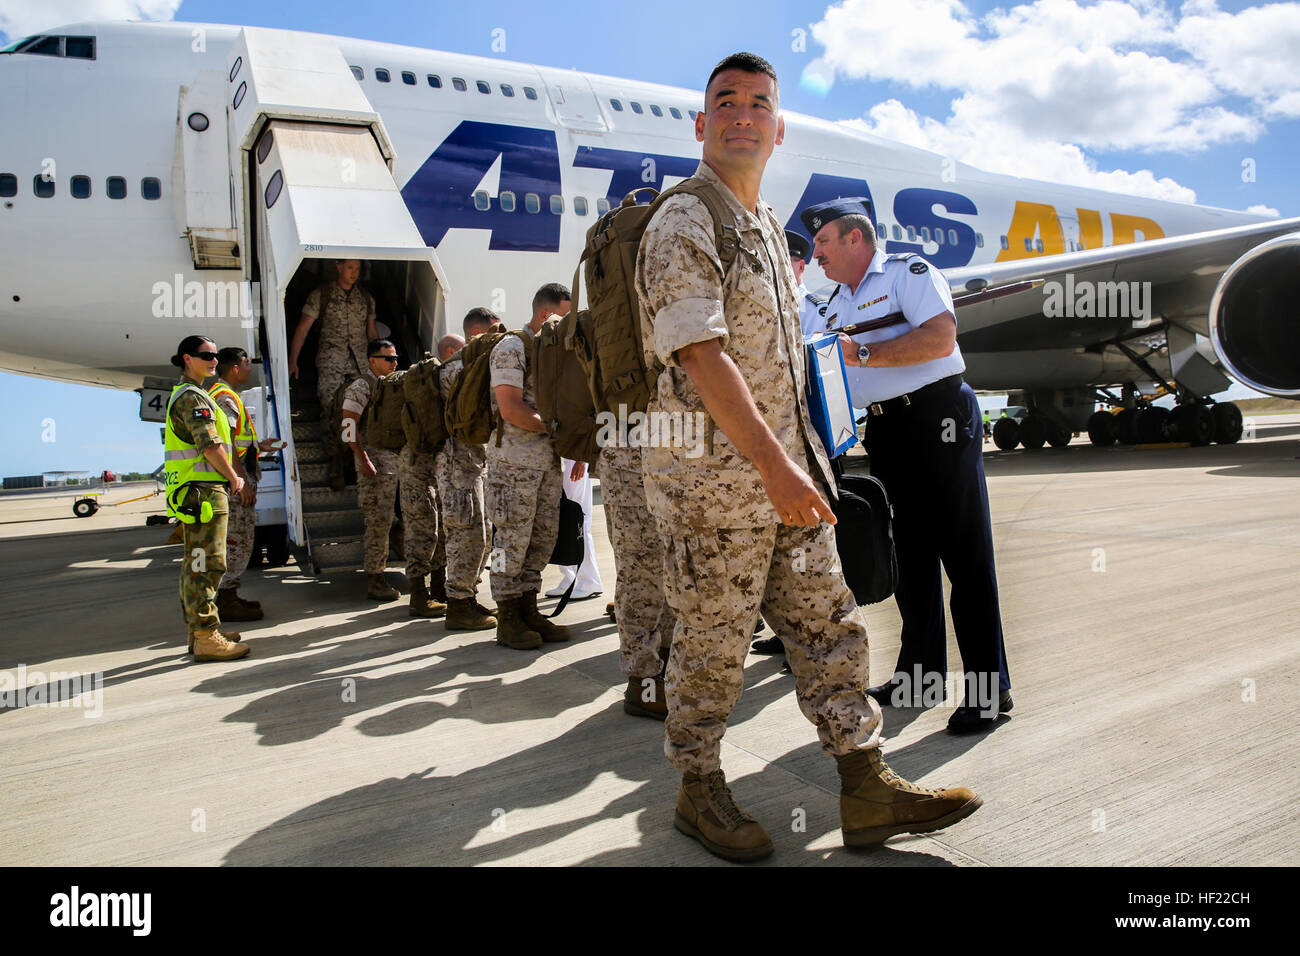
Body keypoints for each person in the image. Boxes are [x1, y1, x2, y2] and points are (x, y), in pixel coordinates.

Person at [635, 52, 981, 862]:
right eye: (726, 101)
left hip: (792, 479)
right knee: (712, 645)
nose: (743, 115)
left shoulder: (761, 227)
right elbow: (701, 356)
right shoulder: (685, 220)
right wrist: (776, 467)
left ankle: (864, 784)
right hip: (717, 490)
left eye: (760, 103)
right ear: (701, 123)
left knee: (831, 626)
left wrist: (810, 458)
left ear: (780, 127)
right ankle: (698, 789)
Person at [803, 196, 1014, 734]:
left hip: (939, 417)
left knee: (964, 555)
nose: (818, 254)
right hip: (888, 428)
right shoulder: (831, 306)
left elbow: (941, 337)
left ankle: (990, 691)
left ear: (855, 238)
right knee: (911, 558)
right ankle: (921, 677)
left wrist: (865, 354)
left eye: (824, 241)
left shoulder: (907, 275)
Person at [484, 284, 571, 649]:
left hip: (545, 464)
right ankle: (507, 616)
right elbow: (510, 408)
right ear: (544, 315)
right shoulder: (513, 347)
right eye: (564, 317)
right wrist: (555, 426)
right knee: (509, 542)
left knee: (540, 540)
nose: (569, 325)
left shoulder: (553, 353)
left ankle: (529, 608)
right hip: (513, 464)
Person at [163, 335, 250, 662]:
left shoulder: (191, 394)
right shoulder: (193, 398)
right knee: (207, 564)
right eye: (205, 356)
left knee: (198, 563)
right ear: (187, 358)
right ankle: (205, 636)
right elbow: (210, 446)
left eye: (214, 356)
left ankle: (200, 631)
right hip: (204, 492)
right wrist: (234, 477)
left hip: (196, 491)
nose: (213, 360)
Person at [597, 424, 675, 720]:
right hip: (631, 462)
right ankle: (643, 685)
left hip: (666, 459)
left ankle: (663, 667)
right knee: (639, 577)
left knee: (667, 573)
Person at [287, 259, 379, 490]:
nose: (353, 273)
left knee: (360, 412)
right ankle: (336, 461)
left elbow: (372, 332)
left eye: (357, 269)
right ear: (339, 267)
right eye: (350, 268)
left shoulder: (366, 298)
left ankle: (353, 460)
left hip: (359, 364)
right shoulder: (322, 295)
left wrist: (381, 359)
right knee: (332, 412)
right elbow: (303, 328)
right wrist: (292, 361)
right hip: (331, 363)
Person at [209, 347, 280, 621]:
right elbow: (225, 447)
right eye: (246, 365)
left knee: (238, 542)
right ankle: (226, 599)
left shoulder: (229, 396)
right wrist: (241, 483)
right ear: (235, 368)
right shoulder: (225, 397)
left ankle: (229, 596)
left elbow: (236, 443)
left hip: (236, 478)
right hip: (235, 485)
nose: (250, 369)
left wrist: (259, 446)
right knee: (236, 542)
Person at [438, 311, 499, 631]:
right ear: (476, 334)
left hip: (473, 463)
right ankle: (458, 605)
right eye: (493, 333)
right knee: (466, 535)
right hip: (457, 465)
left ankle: (468, 596)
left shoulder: (472, 366)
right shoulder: (458, 370)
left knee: (482, 535)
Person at [341, 339, 403, 601]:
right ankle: (375, 579)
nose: (394, 363)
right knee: (378, 522)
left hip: (395, 465)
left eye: (395, 357)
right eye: (388, 358)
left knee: (394, 520)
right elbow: (347, 426)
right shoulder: (362, 386)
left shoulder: (393, 384)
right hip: (375, 466)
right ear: (372, 360)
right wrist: (362, 458)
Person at [546, 458, 604, 600]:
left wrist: (581, 460)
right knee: (563, 521)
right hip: (559, 456)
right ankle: (571, 578)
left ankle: (589, 582)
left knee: (577, 521)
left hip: (574, 457)